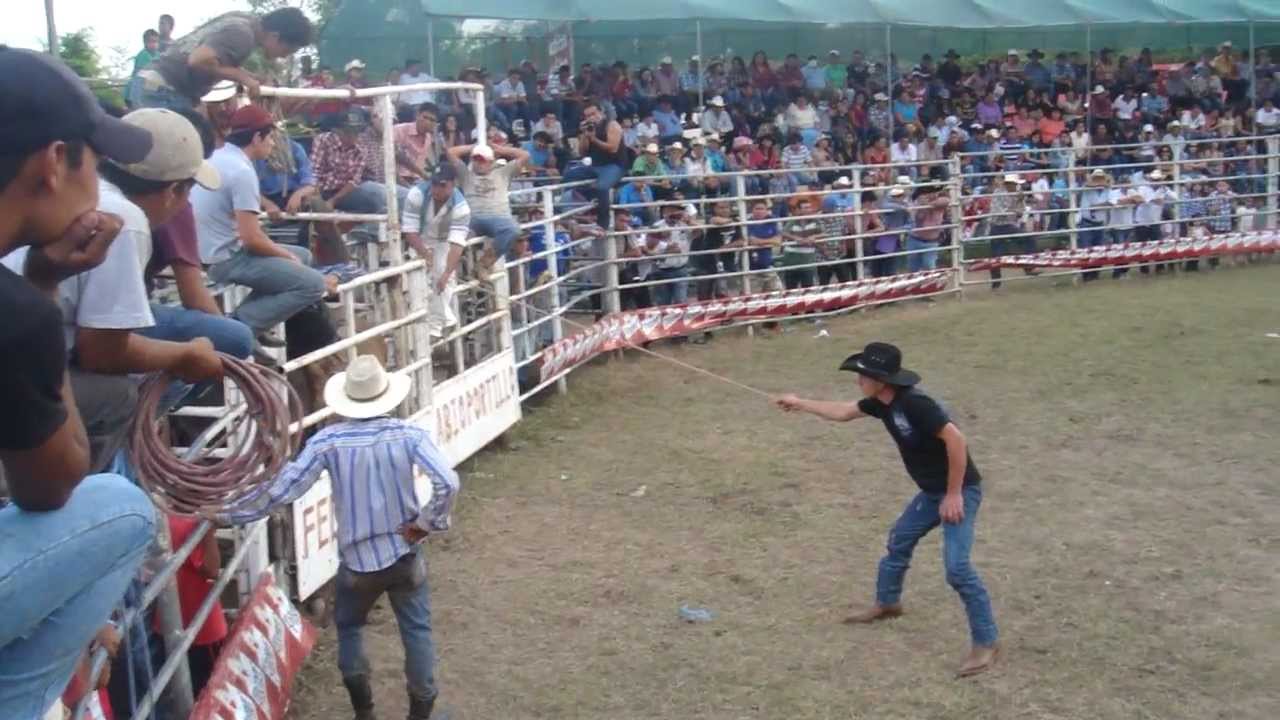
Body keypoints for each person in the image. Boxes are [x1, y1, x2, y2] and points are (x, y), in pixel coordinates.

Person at [0, 46, 157, 720]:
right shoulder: (16, 313)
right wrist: (41, 288)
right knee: (123, 508)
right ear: (52, 163)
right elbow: (49, 487)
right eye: (96, 163)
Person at [217, 355, 460, 720]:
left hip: (356, 562)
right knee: (416, 630)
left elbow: (285, 489)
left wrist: (227, 515)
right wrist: (426, 523)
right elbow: (448, 481)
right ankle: (420, 714)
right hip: (403, 553)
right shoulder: (408, 434)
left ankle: (364, 713)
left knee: (349, 629)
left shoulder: (329, 441)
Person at [775, 342, 1000, 678]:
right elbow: (843, 412)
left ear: (883, 379)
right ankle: (888, 604)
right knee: (899, 541)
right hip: (931, 491)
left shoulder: (916, 404)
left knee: (957, 569)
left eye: (864, 375)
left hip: (959, 491)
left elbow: (956, 440)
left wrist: (953, 494)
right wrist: (799, 403)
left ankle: (987, 643)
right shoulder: (881, 403)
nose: (859, 380)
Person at [192, 104, 332, 346]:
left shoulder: (217, 157)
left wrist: (290, 257)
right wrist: (286, 256)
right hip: (225, 258)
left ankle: (256, 320)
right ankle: (240, 326)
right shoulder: (241, 171)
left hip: (208, 250)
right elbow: (252, 239)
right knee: (313, 283)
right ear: (257, 137)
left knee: (304, 255)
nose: (273, 144)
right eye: (270, 138)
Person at [138, 8, 313, 110]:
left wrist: (251, 77)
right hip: (162, 88)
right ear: (275, 36)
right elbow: (197, 60)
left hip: (155, 84)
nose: (284, 56)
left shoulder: (243, 21)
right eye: (288, 50)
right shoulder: (243, 35)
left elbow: (214, 62)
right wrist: (242, 77)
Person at [402, 164, 470, 338]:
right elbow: (410, 230)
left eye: (442, 185)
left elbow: (456, 243)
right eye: (434, 184)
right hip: (419, 240)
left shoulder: (461, 207)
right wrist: (424, 253)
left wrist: (447, 272)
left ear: (452, 184)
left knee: (443, 280)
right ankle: (443, 321)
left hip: (443, 241)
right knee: (417, 284)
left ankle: (435, 327)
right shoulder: (417, 194)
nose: (436, 189)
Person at [446, 142, 529, 266]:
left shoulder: (503, 172)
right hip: (472, 220)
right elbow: (451, 152)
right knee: (455, 237)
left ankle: (485, 264)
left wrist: (501, 149)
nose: (478, 164)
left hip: (499, 218)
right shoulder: (466, 174)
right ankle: (460, 273)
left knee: (512, 230)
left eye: (482, 160)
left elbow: (525, 155)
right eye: (475, 160)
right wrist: (473, 146)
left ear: (491, 161)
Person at [563, 101, 627, 228]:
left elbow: (613, 148)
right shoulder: (588, 128)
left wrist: (594, 139)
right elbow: (582, 152)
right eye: (587, 116)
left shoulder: (612, 125)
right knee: (569, 175)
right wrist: (584, 136)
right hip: (595, 165)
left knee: (602, 188)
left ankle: (603, 223)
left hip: (614, 165)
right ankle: (567, 213)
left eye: (593, 113)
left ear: (601, 112)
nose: (591, 117)